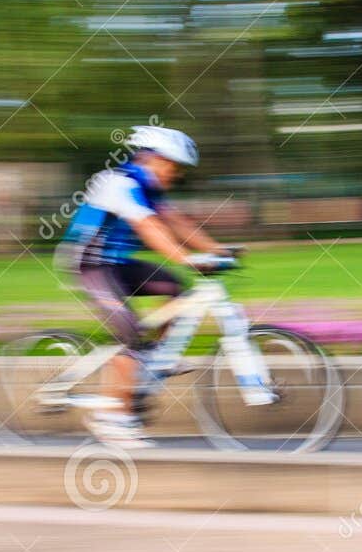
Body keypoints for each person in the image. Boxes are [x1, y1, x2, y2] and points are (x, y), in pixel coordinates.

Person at [57, 125, 231, 448]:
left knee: (178, 290)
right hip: (90, 265)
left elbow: (177, 223)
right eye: (173, 166)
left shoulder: (151, 189)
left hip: (119, 264)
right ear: (151, 158)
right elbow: (149, 226)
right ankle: (111, 418)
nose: (176, 174)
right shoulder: (118, 183)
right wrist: (186, 258)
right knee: (130, 334)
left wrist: (219, 251)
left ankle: (157, 356)